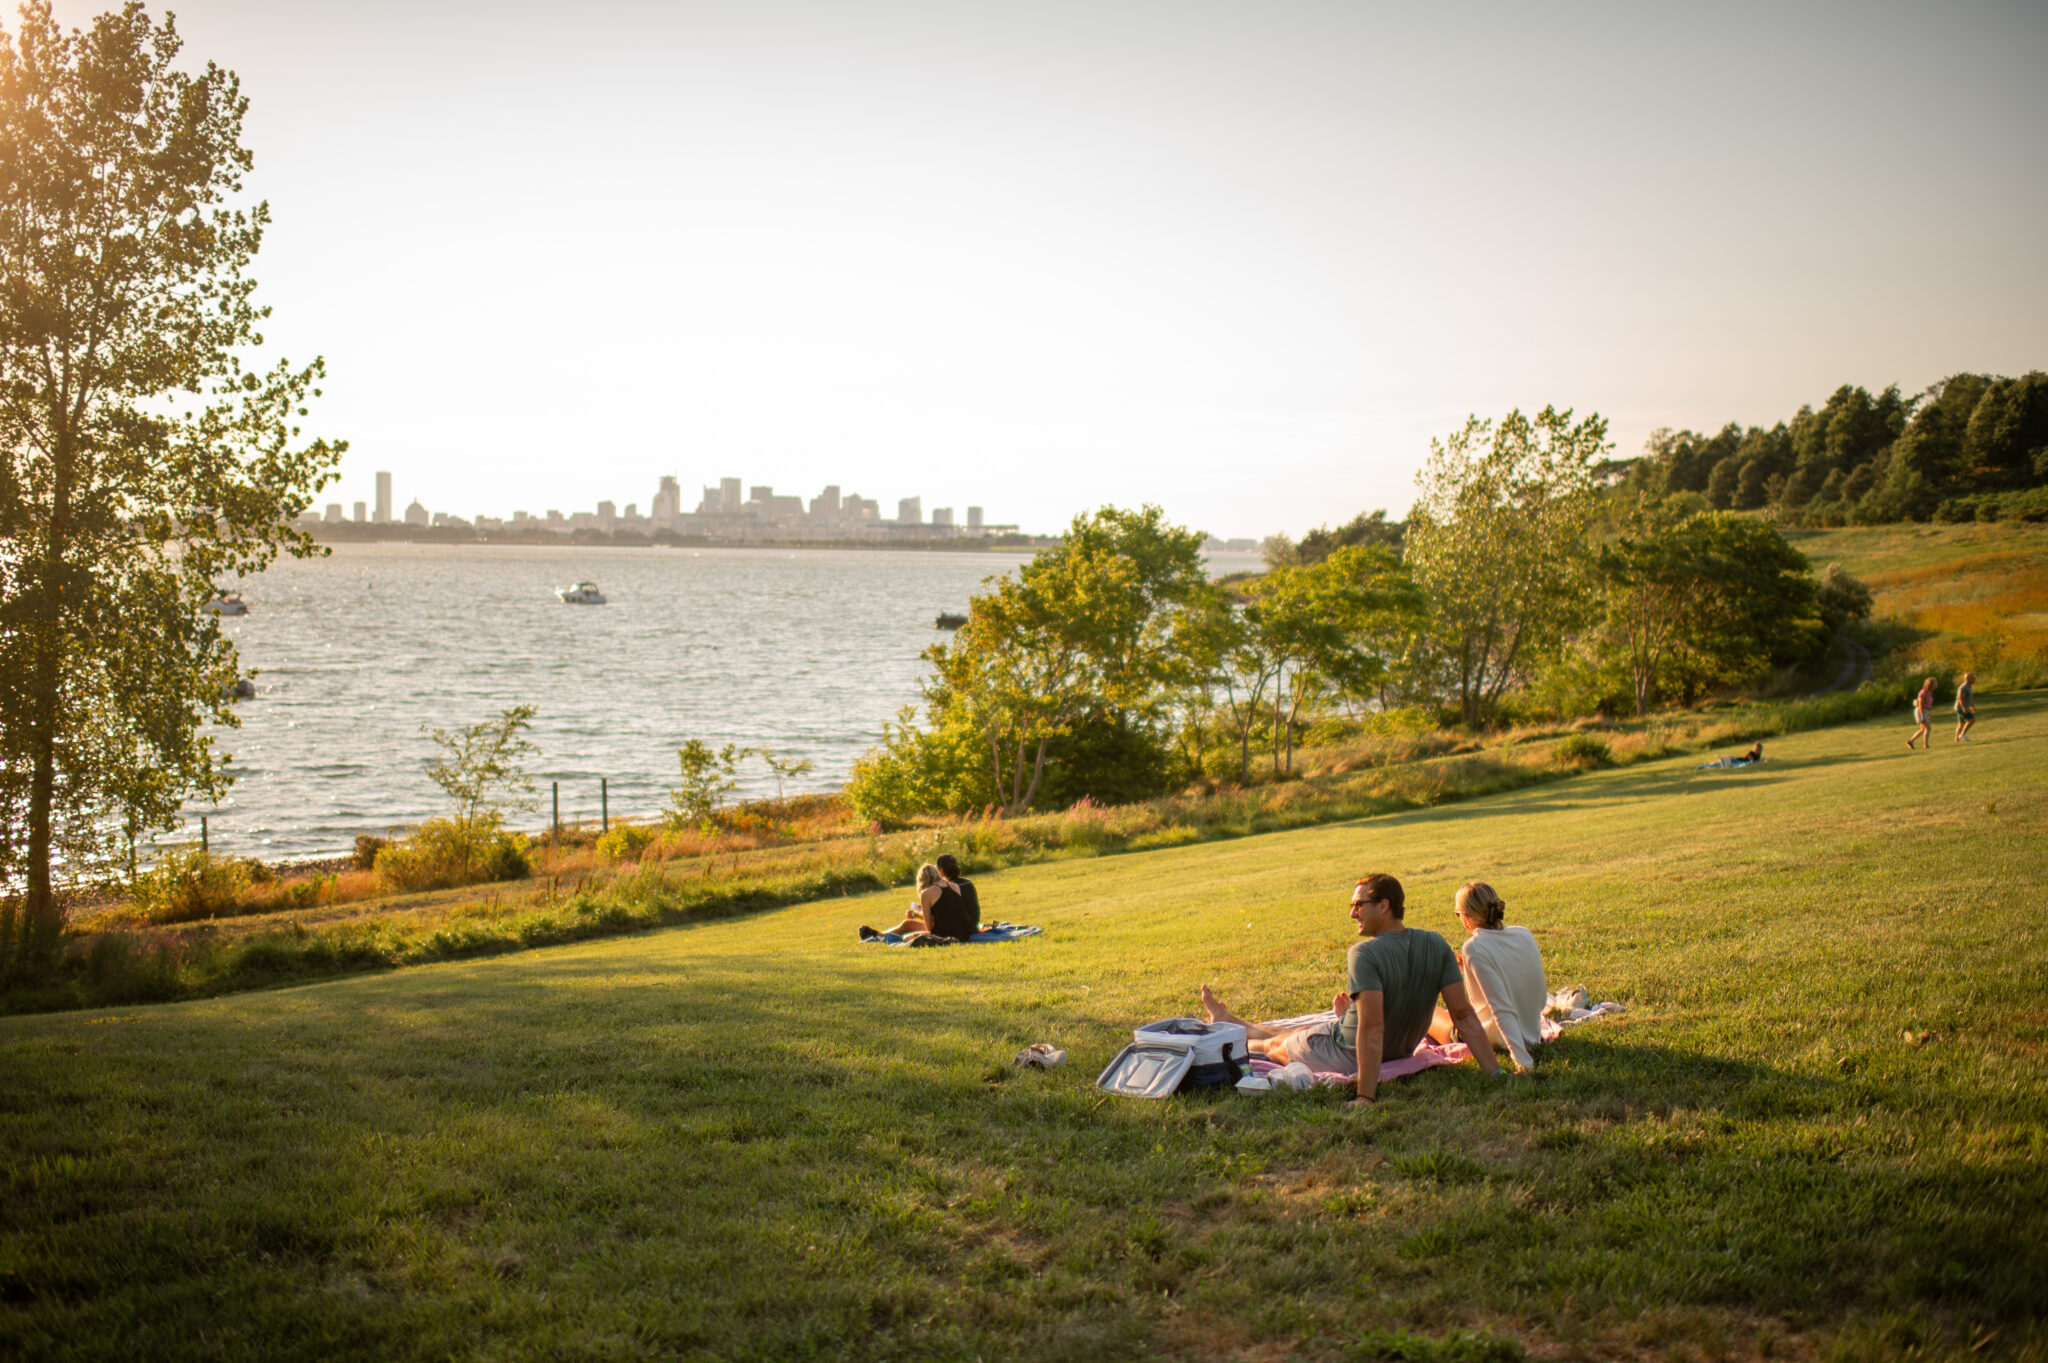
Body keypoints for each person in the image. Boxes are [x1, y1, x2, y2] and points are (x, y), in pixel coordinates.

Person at [1200, 872, 1499, 1107]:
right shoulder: (1436, 943)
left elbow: (1372, 1029)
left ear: (1384, 906)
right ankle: (1236, 1023)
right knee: (1304, 1032)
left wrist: (1365, 1097)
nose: (1352, 914)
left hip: (1346, 1053)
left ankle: (1233, 1032)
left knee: (1275, 1045)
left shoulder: (1364, 954)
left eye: (1358, 906)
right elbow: (1463, 1014)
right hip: (1400, 1048)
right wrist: (1495, 1072)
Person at [1426, 882, 1547, 1072]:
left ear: (1466, 917)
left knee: (1427, 1011)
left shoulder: (1474, 947)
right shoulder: (1524, 934)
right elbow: (1520, 979)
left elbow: (1501, 1009)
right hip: (1532, 1028)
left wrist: (1523, 1061)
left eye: (1457, 914)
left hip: (1500, 1035)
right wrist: (1468, 967)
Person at [874, 863, 976, 941]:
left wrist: (919, 914)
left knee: (906, 937)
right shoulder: (955, 886)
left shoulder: (926, 894)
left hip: (946, 934)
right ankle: (879, 935)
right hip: (965, 931)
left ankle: (880, 936)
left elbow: (929, 927)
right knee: (908, 927)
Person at [935, 854, 982, 933]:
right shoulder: (968, 883)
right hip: (973, 924)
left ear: (941, 870)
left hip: (958, 930)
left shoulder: (946, 887)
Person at [1907, 677, 1936, 750]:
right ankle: (1926, 745)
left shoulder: (1929, 692)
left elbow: (1927, 705)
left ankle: (1910, 741)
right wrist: (1923, 716)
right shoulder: (1923, 693)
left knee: (1923, 729)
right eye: (1935, 683)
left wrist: (1927, 713)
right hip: (1920, 711)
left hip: (1925, 711)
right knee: (1928, 728)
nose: (1936, 685)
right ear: (1930, 685)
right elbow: (1920, 705)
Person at [1954, 671, 1977, 743]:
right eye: (1972, 678)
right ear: (1967, 679)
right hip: (1960, 707)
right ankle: (1962, 734)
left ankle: (1957, 740)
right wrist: (1964, 708)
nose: (1974, 679)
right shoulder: (1964, 687)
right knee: (1972, 719)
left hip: (1961, 707)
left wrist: (1972, 707)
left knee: (1961, 723)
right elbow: (1960, 698)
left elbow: (1969, 699)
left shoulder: (1969, 687)